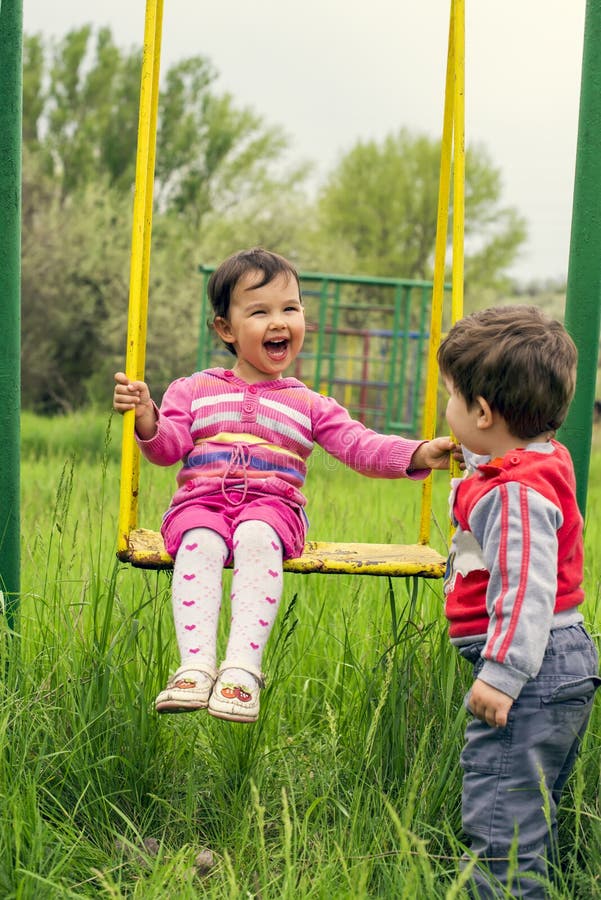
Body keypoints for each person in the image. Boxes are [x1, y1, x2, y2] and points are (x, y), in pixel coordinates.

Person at [114, 247, 460, 724]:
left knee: (257, 534)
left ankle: (241, 670)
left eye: (290, 308)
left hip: (273, 512)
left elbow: (361, 446)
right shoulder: (192, 390)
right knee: (199, 540)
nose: (279, 322)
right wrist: (147, 416)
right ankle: (195, 665)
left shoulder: (309, 403)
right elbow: (166, 448)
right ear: (226, 328)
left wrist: (419, 454)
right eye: (260, 312)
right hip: (200, 507)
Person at [437, 305, 600, 897]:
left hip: (530, 670)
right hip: (557, 661)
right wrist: (471, 458)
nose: (447, 409)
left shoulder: (513, 495)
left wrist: (502, 675)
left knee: (501, 829)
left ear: (482, 412)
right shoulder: (541, 458)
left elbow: (527, 587)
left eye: (451, 397)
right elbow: (496, 473)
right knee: (530, 817)